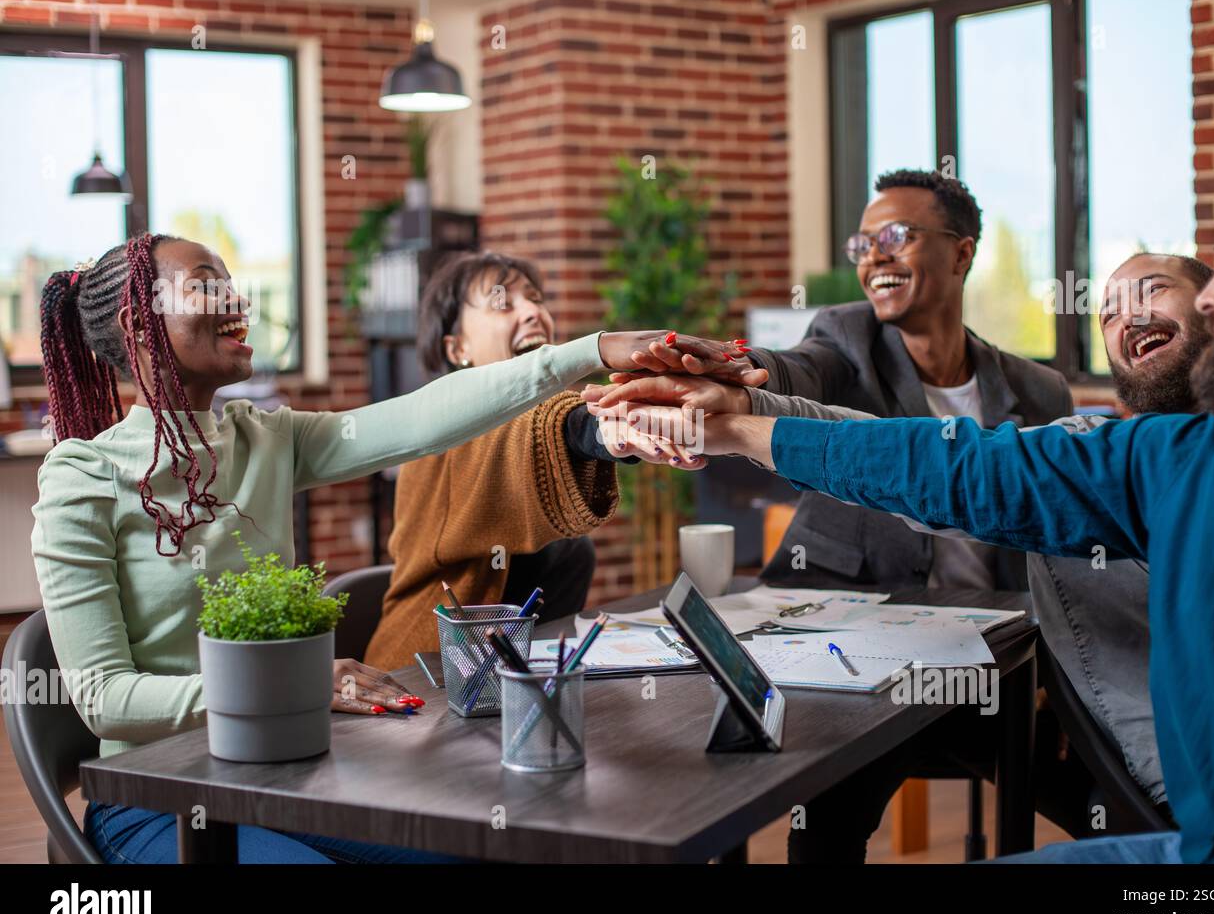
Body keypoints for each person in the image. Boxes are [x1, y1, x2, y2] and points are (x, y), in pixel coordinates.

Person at [30, 232, 756, 863]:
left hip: (284, 764)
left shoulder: (266, 438)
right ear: (137, 323)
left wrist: (588, 352)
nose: (236, 301)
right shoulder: (82, 478)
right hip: (158, 793)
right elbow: (105, 702)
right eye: (206, 287)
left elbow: (424, 417)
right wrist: (301, 687)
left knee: (482, 851)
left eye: (232, 283)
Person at [685, 131, 1214, 862]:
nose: (873, 256)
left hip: (1012, 668)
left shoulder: (1065, 407)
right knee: (832, 799)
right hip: (865, 642)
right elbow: (934, 458)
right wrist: (740, 401)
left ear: (961, 253)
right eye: (1105, 309)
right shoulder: (1159, 460)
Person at [596, 168, 1073, 593]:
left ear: (961, 253)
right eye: (863, 246)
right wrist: (738, 371)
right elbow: (799, 368)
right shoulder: (848, 334)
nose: (874, 259)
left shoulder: (1041, 391)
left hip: (1000, 630)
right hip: (848, 605)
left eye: (895, 237)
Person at [366, 251, 704, 669]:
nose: (532, 313)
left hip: (504, 687)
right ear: (457, 348)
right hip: (420, 683)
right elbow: (506, 431)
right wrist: (593, 428)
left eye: (536, 299)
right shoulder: (437, 438)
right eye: (503, 304)